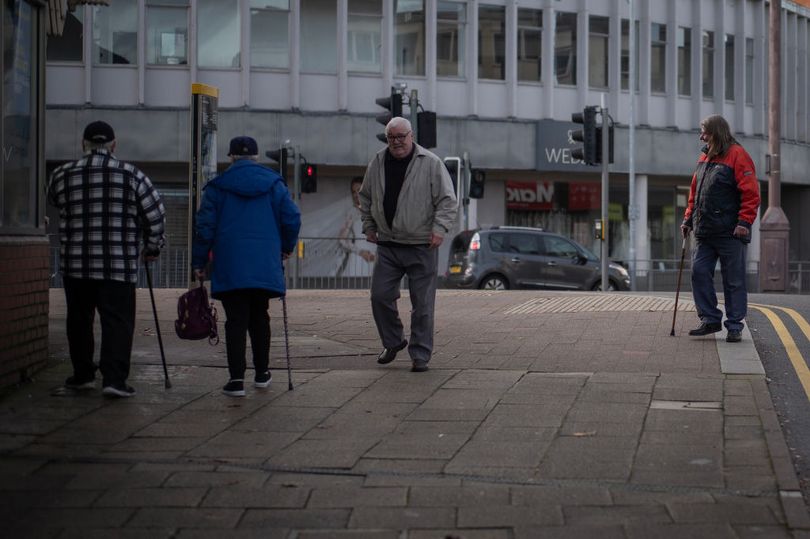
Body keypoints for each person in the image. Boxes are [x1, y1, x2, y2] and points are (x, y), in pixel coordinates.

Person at [47, 120, 166, 398]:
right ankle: (114, 380)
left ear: (83, 144)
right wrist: (152, 247)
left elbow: (52, 200)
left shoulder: (62, 175)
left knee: (79, 321)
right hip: (118, 266)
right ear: (114, 145)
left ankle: (82, 375)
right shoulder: (132, 175)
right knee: (117, 322)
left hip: (76, 265)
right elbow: (156, 215)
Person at [192, 136, 301, 397]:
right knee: (260, 316)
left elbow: (204, 227)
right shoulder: (274, 184)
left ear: (231, 157)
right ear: (256, 156)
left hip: (231, 263)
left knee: (236, 320)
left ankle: (236, 380)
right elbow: (292, 218)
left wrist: (199, 261)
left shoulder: (218, 187)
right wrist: (286, 247)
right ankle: (262, 373)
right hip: (264, 262)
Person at [359, 117, 457, 372]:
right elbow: (365, 197)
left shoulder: (430, 163)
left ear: (411, 135)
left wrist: (439, 229)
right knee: (379, 296)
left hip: (421, 245)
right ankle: (393, 341)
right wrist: (369, 226)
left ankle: (420, 355)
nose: (397, 142)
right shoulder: (378, 162)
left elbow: (447, 200)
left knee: (422, 305)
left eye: (401, 136)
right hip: (388, 245)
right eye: (391, 137)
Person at [681, 114, 761, 343]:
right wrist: (688, 219)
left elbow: (751, 193)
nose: (701, 137)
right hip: (705, 231)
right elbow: (695, 194)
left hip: (731, 232)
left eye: (704, 132)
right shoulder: (704, 157)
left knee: (733, 280)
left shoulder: (738, 155)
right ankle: (710, 319)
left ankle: (734, 326)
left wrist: (744, 222)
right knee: (699, 272)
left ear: (716, 133)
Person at [337, 176, 376, 278]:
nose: (355, 195)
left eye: (359, 190)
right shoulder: (352, 214)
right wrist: (360, 252)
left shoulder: (377, 212)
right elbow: (342, 239)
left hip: (376, 258)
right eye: (353, 192)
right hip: (358, 258)